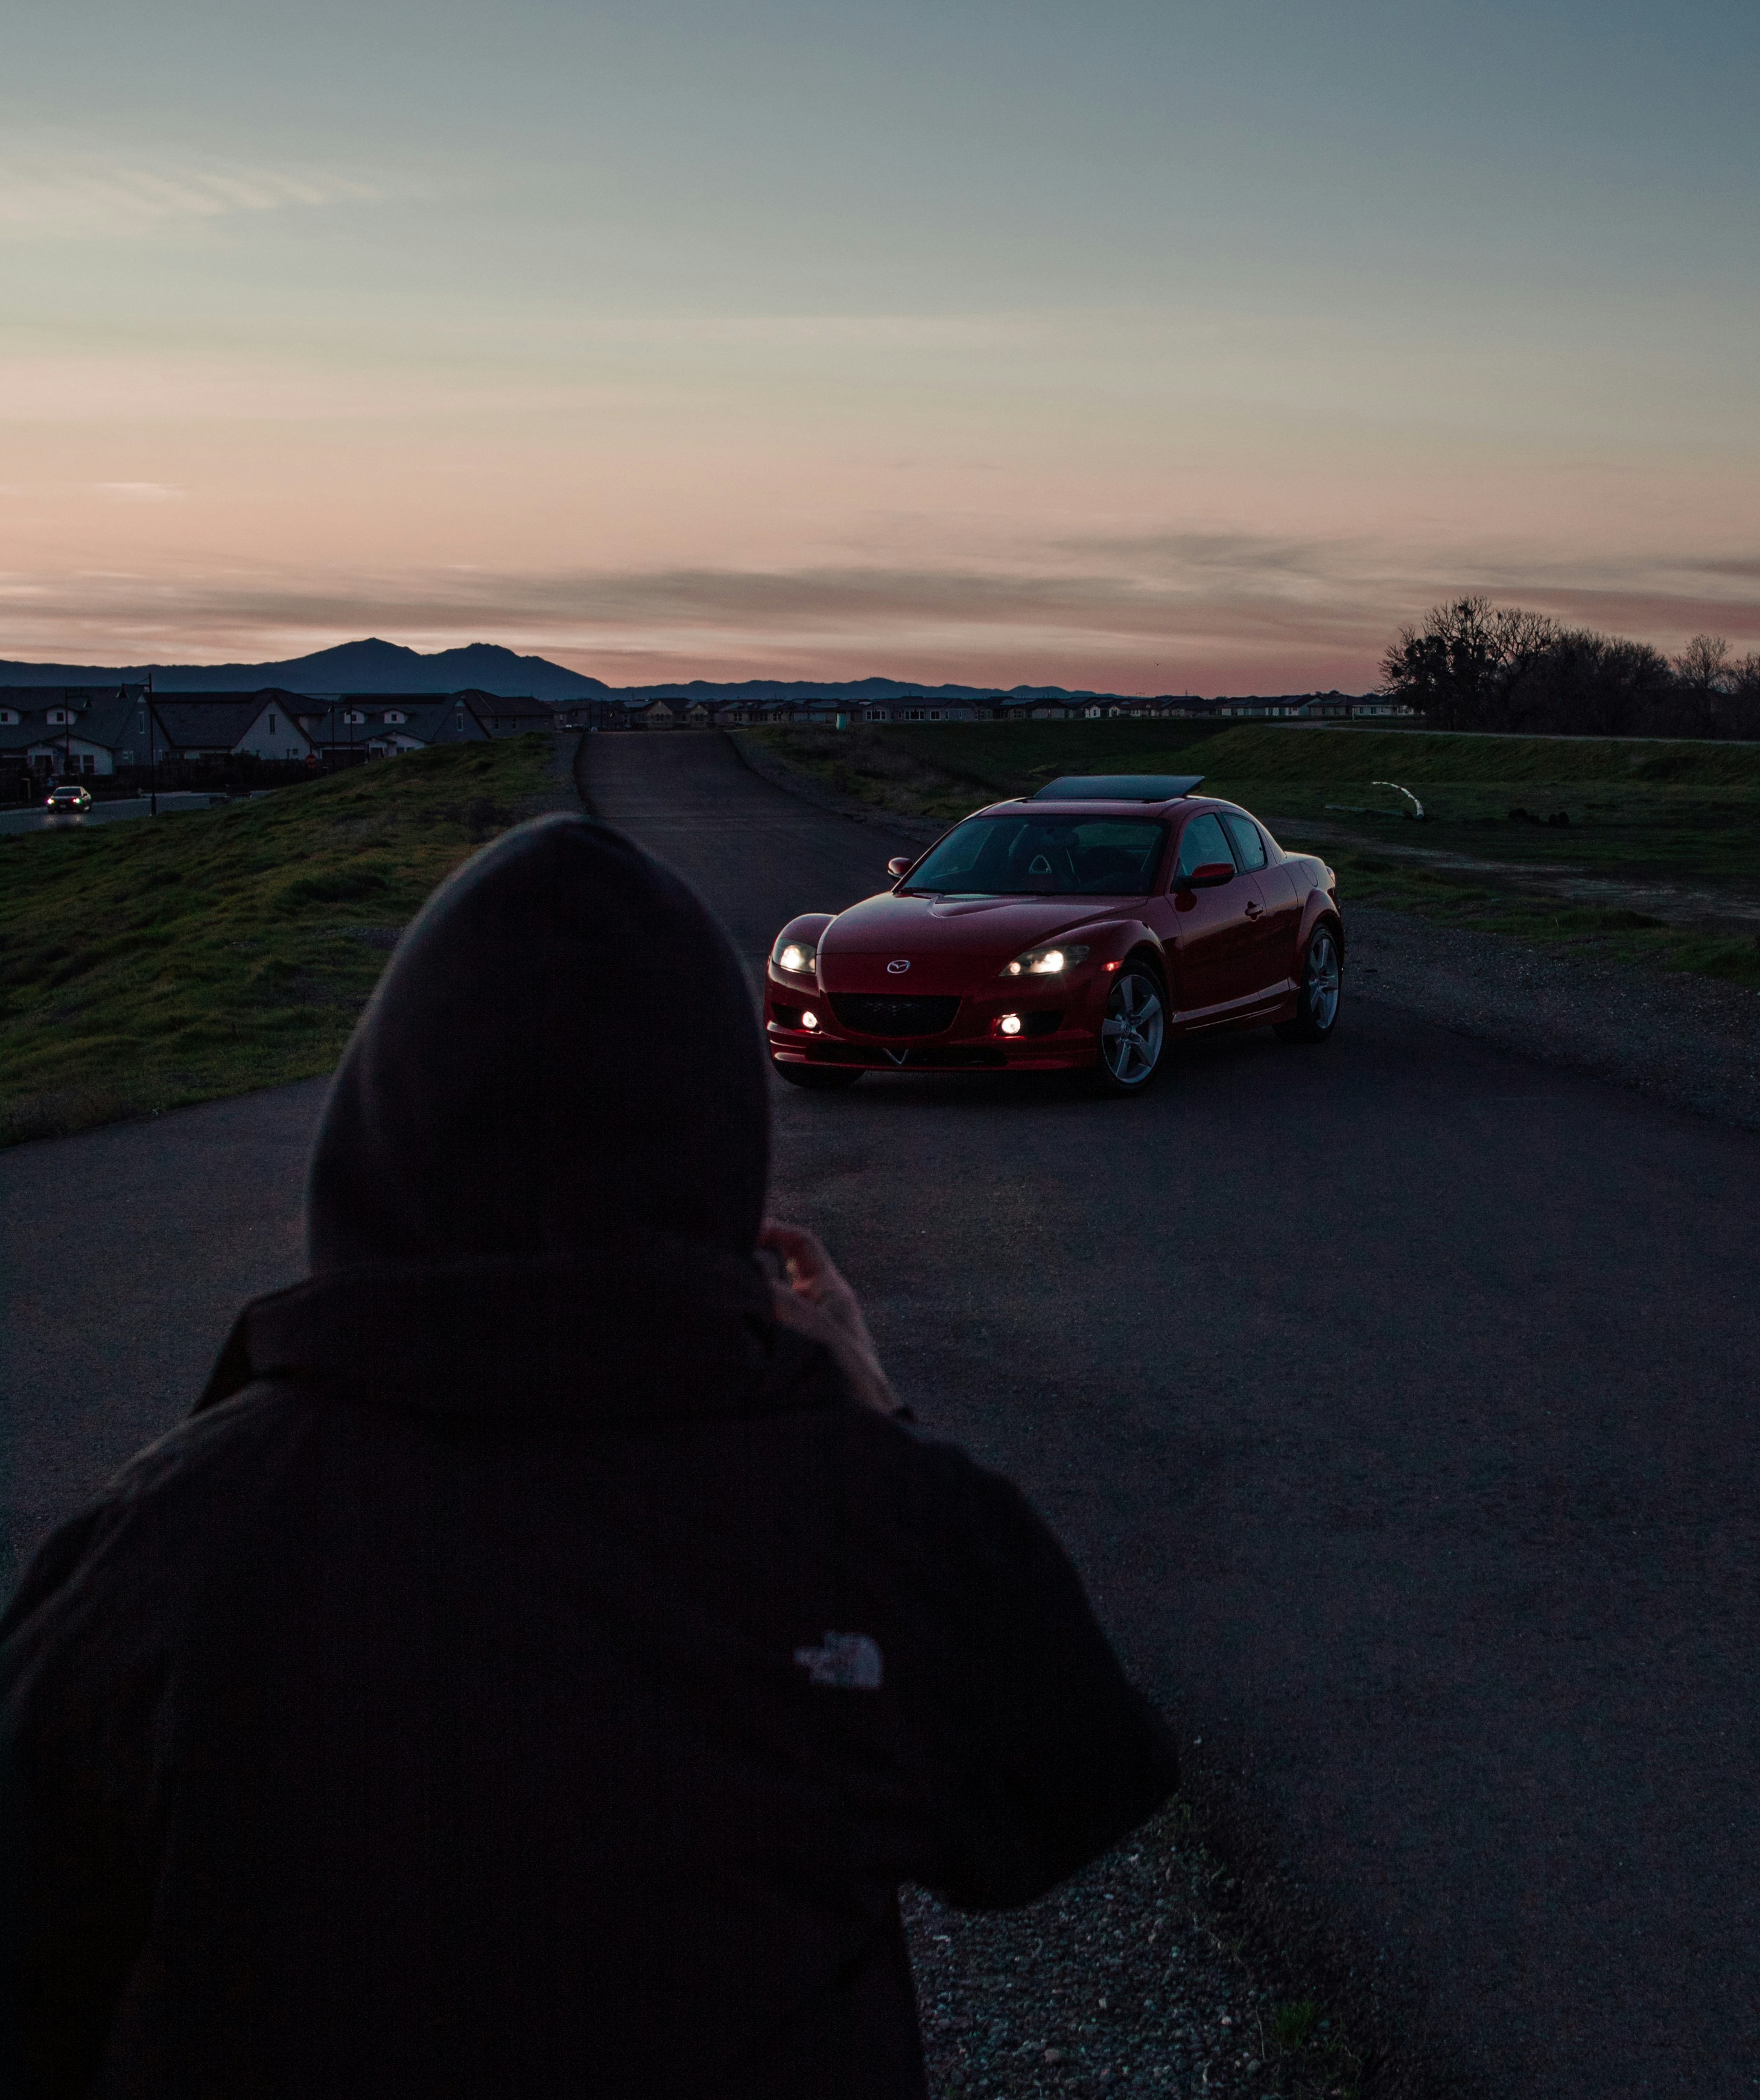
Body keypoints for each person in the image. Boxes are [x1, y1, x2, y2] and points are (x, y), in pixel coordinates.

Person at [0, 815, 1177, 2099]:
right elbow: (1061, 1801)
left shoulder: (165, 1542)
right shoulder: (873, 1519)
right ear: (721, 1137)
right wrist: (872, 1414)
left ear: (378, 1128)